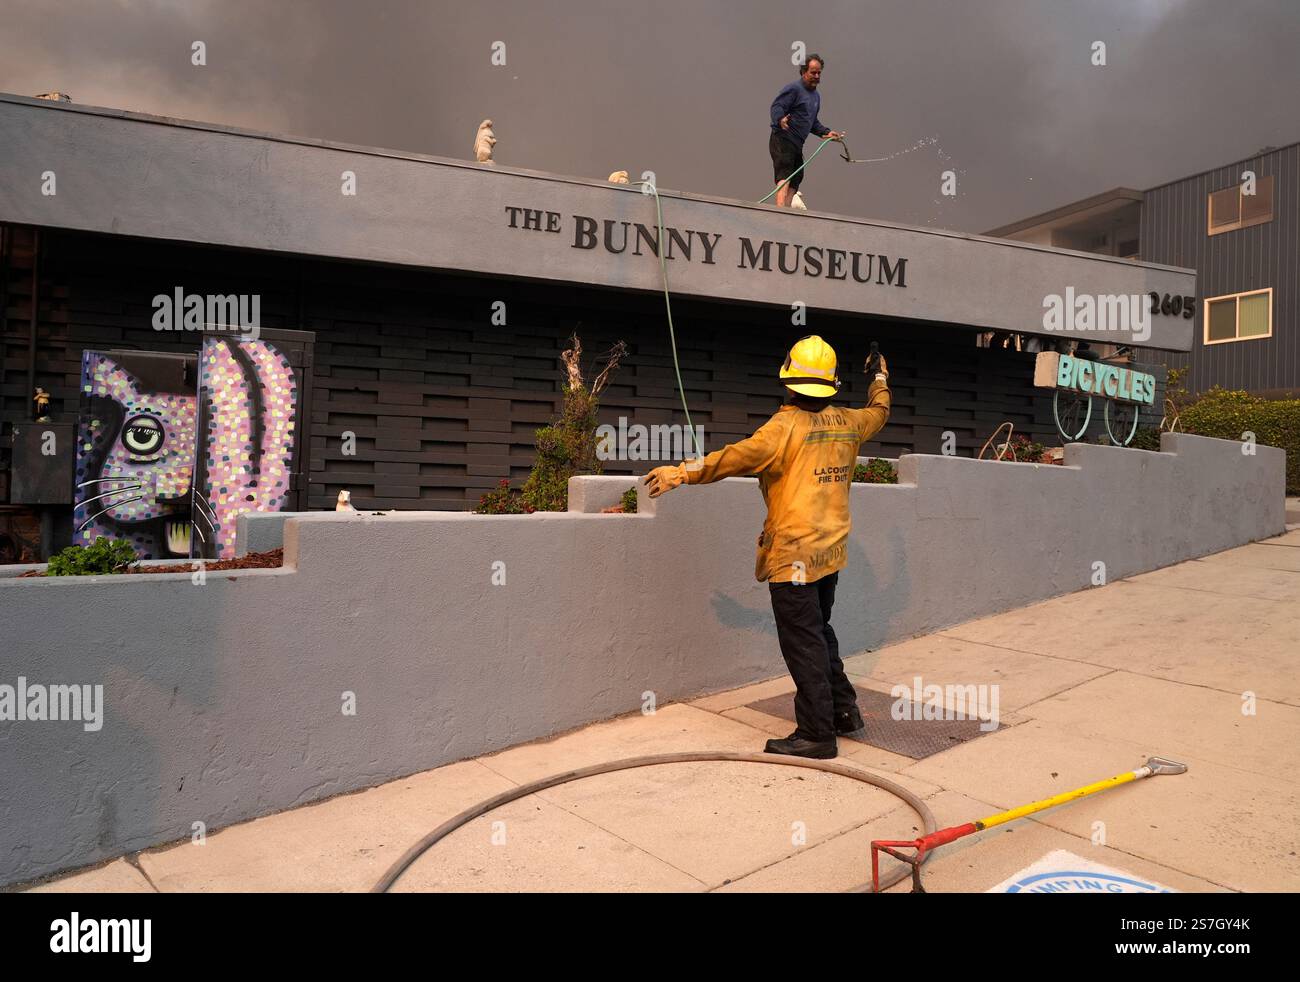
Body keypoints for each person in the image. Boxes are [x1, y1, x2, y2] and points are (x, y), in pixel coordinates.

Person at [644, 336, 891, 758]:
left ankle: (816, 734)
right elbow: (879, 412)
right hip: (830, 554)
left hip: (793, 556)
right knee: (819, 632)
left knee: (804, 643)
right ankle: (844, 714)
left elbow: (730, 459)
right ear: (830, 384)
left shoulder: (781, 429)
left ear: (789, 382)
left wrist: (681, 472)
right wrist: (880, 376)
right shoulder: (849, 422)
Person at [769, 55, 844, 208]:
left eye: (819, 73)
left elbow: (812, 122)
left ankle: (787, 212)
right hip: (783, 138)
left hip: (797, 144)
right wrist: (780, 119)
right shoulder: (794, 89)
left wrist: (827, 133)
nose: (816, 76)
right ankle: (779, 212)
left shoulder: (816, 97)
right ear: (804, 72)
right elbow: (777, 106)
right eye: (813, 73)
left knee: (797, 177)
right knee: (785, 173)